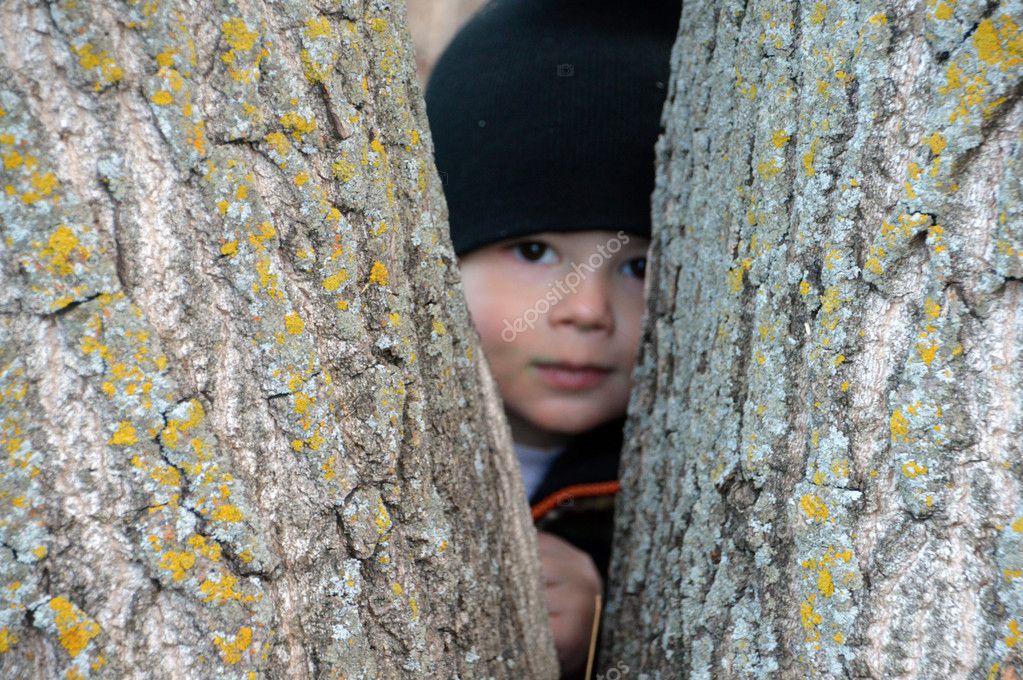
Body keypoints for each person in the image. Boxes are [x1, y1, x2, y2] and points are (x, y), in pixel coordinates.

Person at [424, 0, 679, 676]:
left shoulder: (686, 491)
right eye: (533, 251)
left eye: (637, 265)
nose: (587, 309)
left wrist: (600, 632)